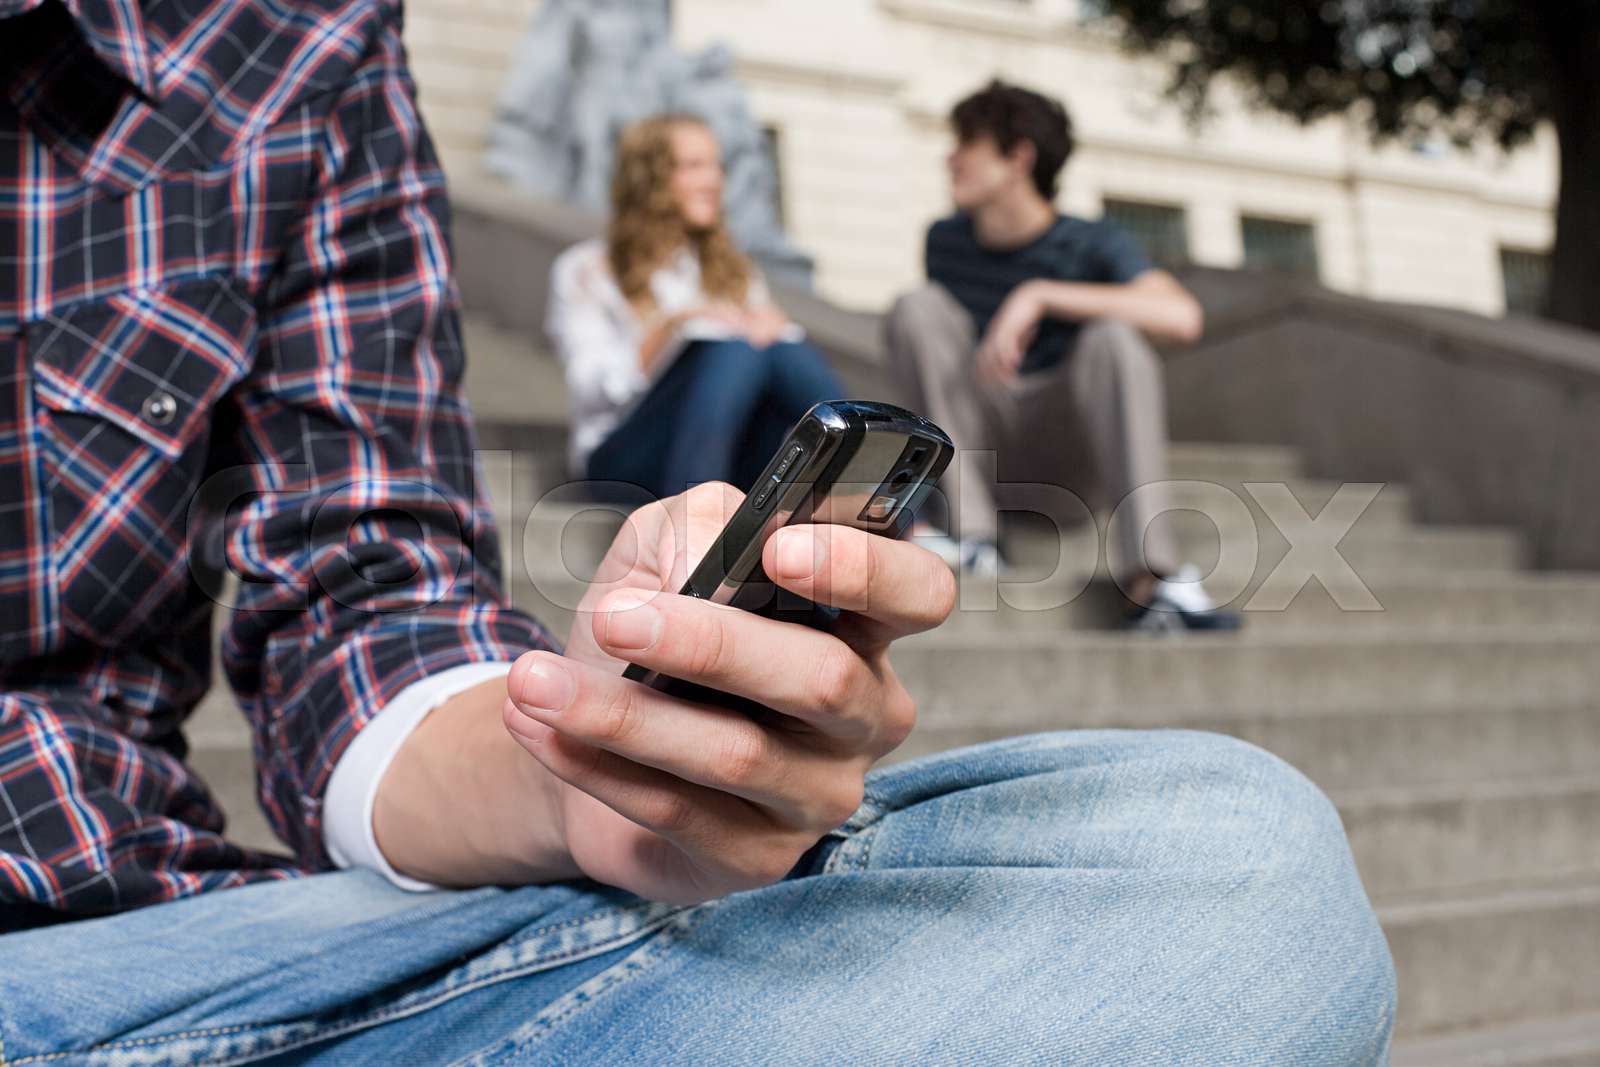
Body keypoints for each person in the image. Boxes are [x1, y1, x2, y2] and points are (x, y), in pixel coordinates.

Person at [0, 3, 1394, 1062]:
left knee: (1236, 859)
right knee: (744, 358)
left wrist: (579, 771)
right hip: (638, 434)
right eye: (689, 165)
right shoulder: (590, 262)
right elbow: (619, 370)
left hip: (145, 935)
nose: (710, 180)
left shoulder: (289, 47)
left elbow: (364, 596)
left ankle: (845, 525)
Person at [887, 80, 1241, 631]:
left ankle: (1152, 578)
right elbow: (939, 363)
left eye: (967, 144)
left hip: (1071, 466)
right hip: (984, 455)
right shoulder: (944, 241)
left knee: (1113, 338)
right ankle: (970, 536)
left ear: (1018, 158)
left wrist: (1039, 295)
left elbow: (1183, 317)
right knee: (917, 307)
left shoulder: (1091, 241)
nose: (950, 157)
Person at [548, 113, 841, 503]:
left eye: (717, 165)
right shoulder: (586, 269)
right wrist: (669, 331)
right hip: (623, 456)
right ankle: (695, 527)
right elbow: (590, 391)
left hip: (734, 448)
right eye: (693, 166)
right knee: (731, 351)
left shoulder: (735, 272)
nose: (714, 180)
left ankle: (886, 493)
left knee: (784, 349)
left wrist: (771, 330)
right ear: (649, 179)